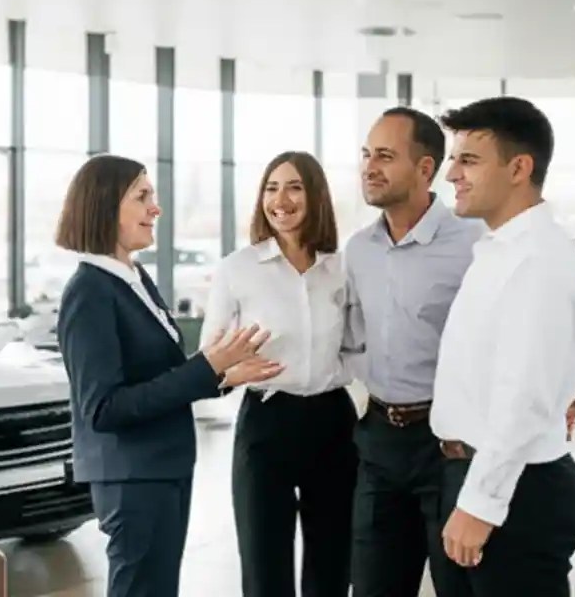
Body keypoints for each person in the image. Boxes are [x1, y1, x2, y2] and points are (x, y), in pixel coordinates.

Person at [54, 154, 282, 597]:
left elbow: (159, 376)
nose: (155, 208)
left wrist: (223, 376)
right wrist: (206, 367)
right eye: (142, 197)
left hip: (161, 468)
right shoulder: (89, 292)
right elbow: (103, 408)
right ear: (104, 206)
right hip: (133, 477)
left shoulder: (133, 278)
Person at [432, 96, 575, 595]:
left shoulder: (537, 259)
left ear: (519, 167)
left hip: (513, 490)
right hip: (476, 472)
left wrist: (480, 503)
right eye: (453, 158)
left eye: (469, 160)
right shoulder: (501, 250)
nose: (451, 174)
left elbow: (522, 399)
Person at [201, 150, 360, 597]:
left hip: (333, 422)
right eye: (272, 188)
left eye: (294, 187)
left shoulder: (340, 269)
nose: (281, 199)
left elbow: (358, 345)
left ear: (315, 197)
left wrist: (328, 370)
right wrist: (234, 372)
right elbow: (208, 356)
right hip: (267, 421)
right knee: (263, 560)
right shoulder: (238, 268)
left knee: (332, 559)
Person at [344, 107, 485, 597]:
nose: (368, 166)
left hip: (449, 446)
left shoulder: (475, 243)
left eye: (384, 155)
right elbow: (352, 335)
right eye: (366, 154)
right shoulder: (358, 249)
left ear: (426, 170)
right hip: (379, 441)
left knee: (458, 586)